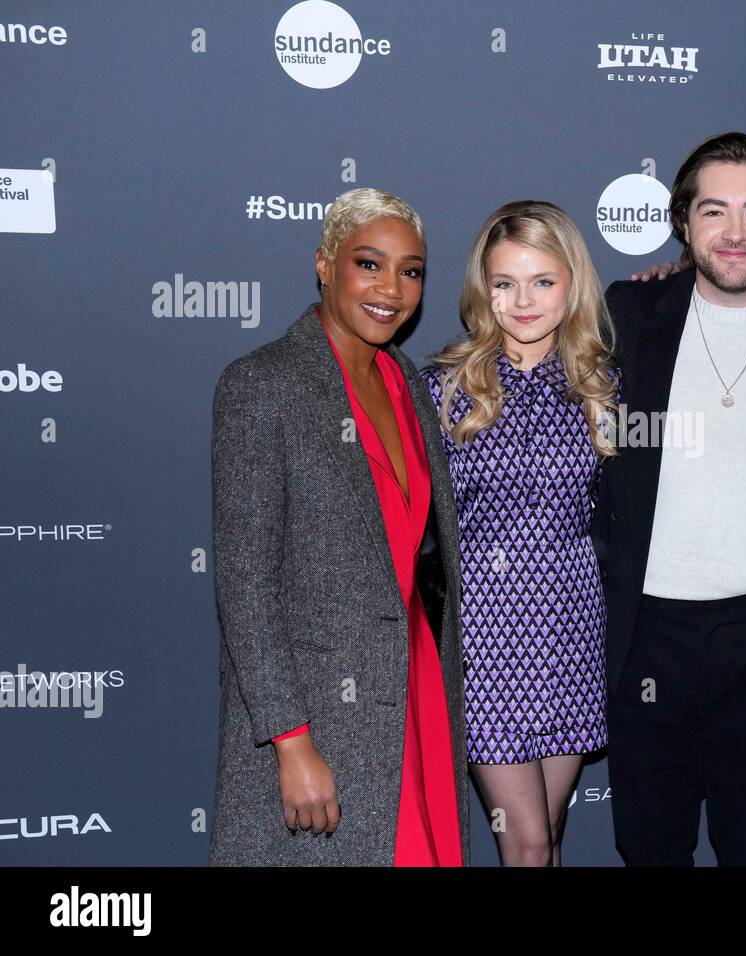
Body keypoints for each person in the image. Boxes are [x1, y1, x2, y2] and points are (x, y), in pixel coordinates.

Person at [208, 187, 468, 866]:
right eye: (368, 264)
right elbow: (245, 586)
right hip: (319, 713)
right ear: (324, 264)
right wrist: (290, 742)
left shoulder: (406, 380)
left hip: (415, 696)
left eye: (411, 270)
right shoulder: (262, 385)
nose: (392, 288)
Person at [597, 132, 746, 866]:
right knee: (647, 848)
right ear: (683, 224)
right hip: (644, 641)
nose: (734, 233)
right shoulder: (627, 316)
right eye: (714, 211)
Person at [420, 201, 619, 867]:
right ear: (483, 288)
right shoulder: (444, 388)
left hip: (572, 632)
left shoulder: (605, 387)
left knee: (548, 840)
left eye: (542, 282)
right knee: (527, 843)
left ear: (573, 284)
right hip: (484, 644)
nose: (523, 301)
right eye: (504, 283)